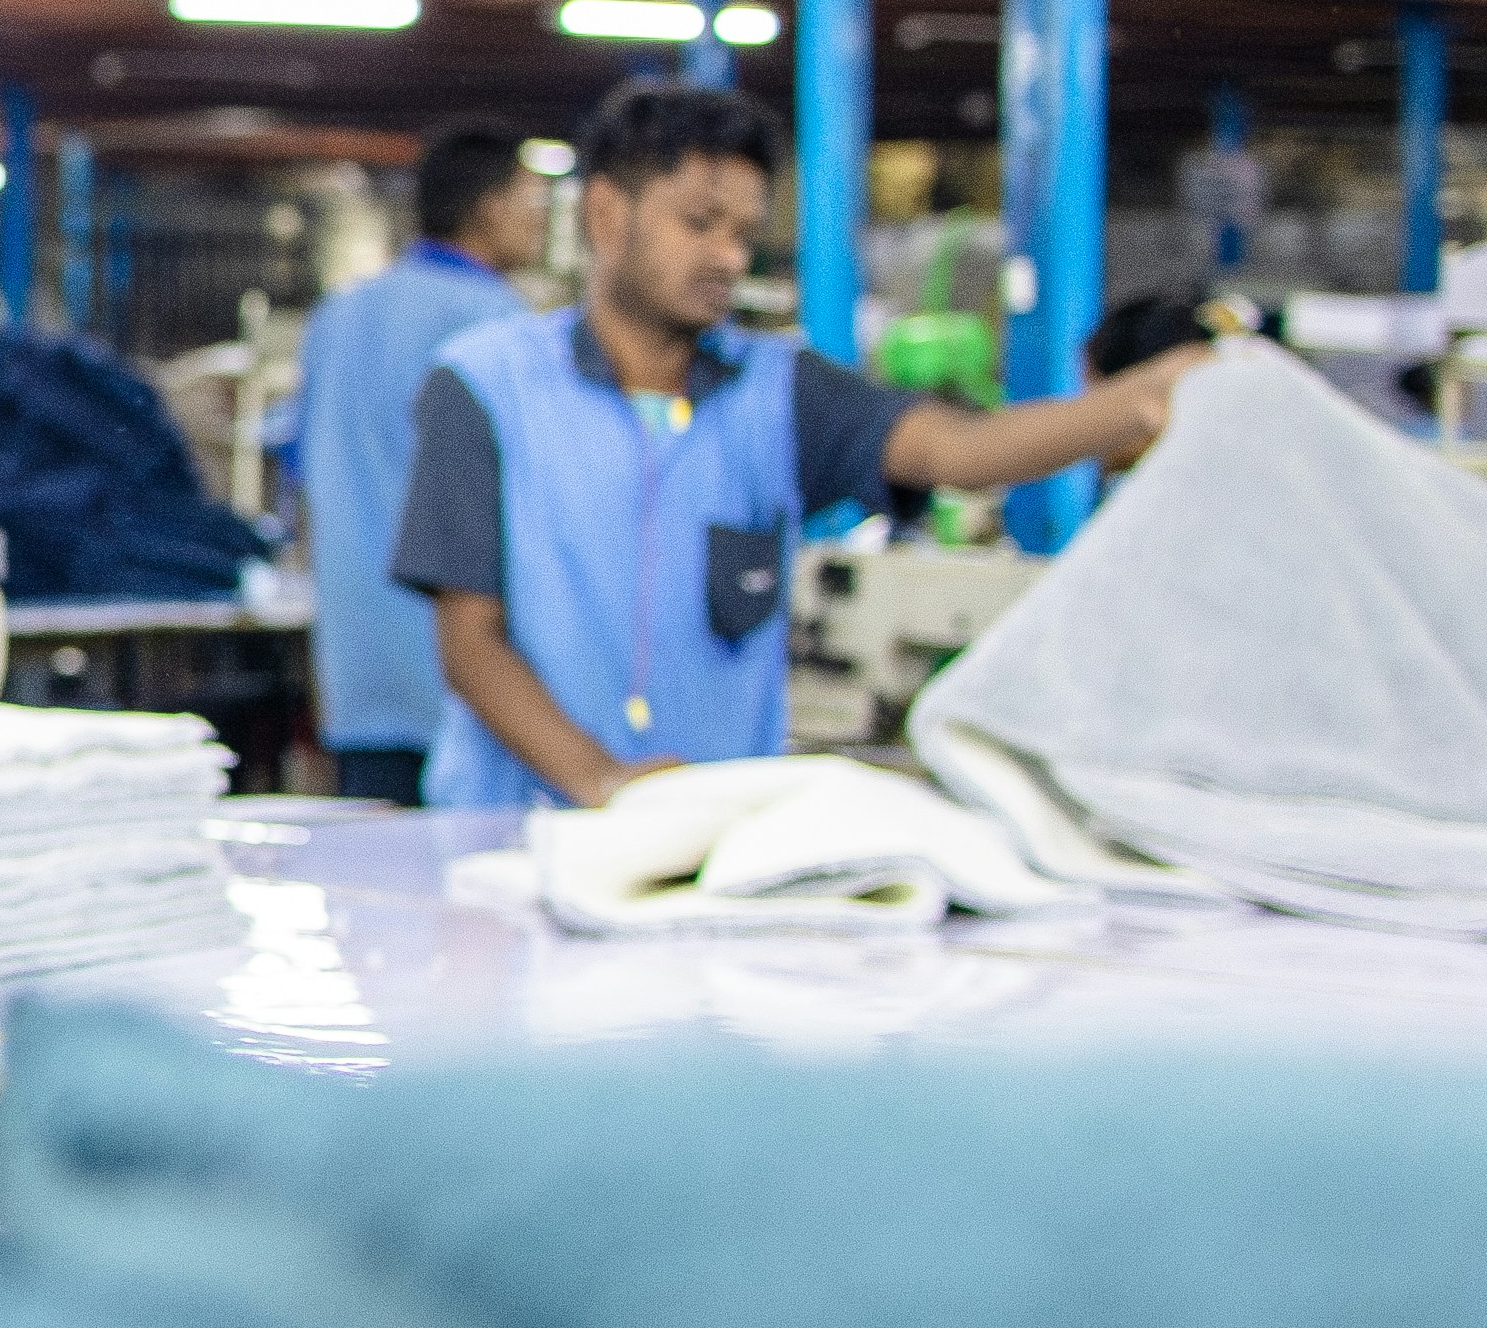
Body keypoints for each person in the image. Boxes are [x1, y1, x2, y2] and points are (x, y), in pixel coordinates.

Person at [397, 79, 1195, 811]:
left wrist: (1136, 402)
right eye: (699, 224)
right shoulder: (486, 389)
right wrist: (604, 784)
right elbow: (472, 644)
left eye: (744, 233)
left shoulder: (780, 393)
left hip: (710, 847)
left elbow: (961, 451)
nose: (729, 258)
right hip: (511, 841)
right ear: (606, 215)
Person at [291, 126, 547, 804]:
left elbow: (303, 481)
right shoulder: (502, 328)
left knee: (372, 883)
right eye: (534, 199)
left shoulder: (339, 316)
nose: (543, 218)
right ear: (491, 208)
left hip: (356, 664)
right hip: (467, 675)